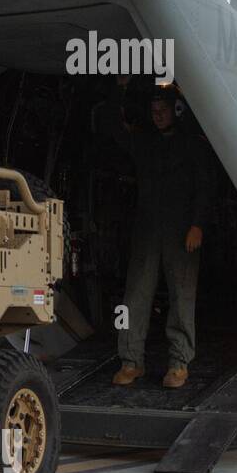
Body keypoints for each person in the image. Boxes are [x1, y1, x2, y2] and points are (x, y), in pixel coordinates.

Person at [98, 83, 214, 388]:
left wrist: (197, 225)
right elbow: (115, 128)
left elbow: (205, 186)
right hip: (148, 231)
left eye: (164, 109)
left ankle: (179, 363)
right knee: (135, 294)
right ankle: (131, 360)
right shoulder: (145, 141)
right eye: (154, 110)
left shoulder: (193, 144)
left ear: (177, 110)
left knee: (181, 296)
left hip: (181, 232)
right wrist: (117, 91)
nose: (158, 115)